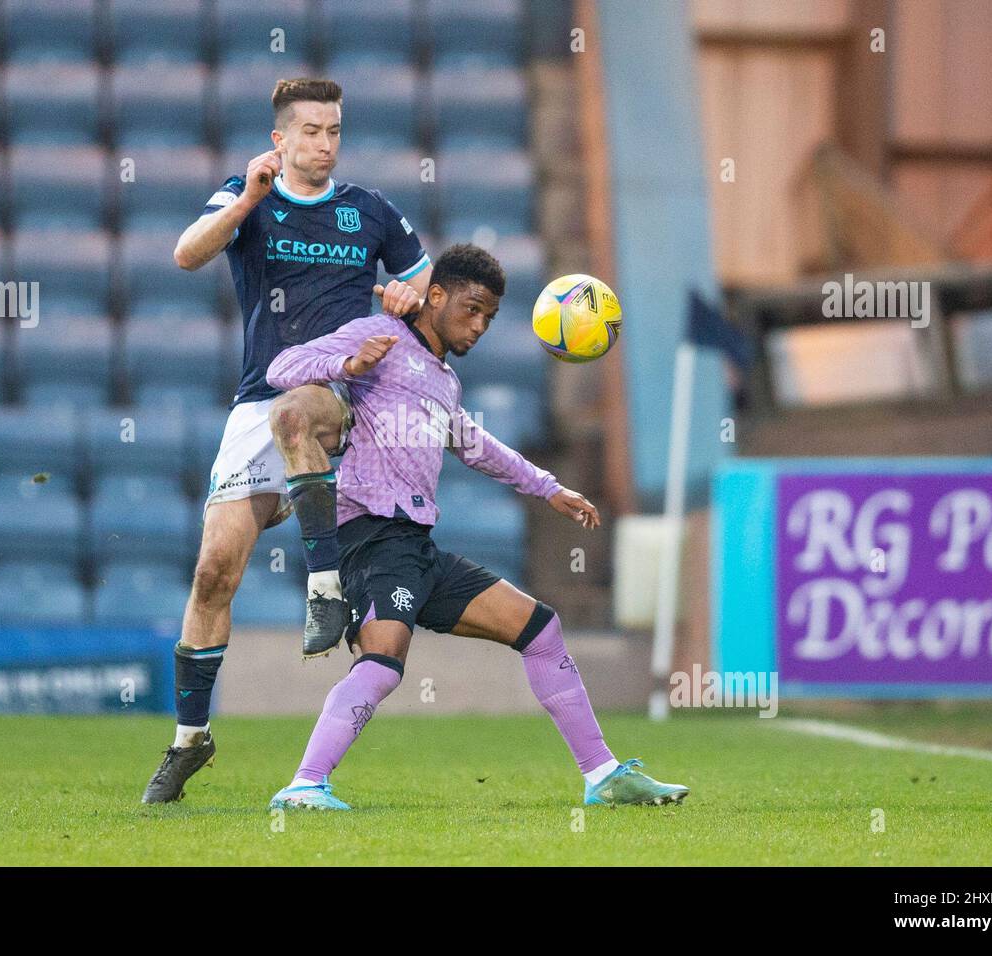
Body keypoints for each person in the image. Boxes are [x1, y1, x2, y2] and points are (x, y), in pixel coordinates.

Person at [261, 244, 691, 810]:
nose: (481, 325)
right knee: (384, 663)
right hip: (372, 534)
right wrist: (346, 365)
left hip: (416, 546)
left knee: (540, 629)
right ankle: (304, 785)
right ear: (435, 295)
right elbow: (280, 369)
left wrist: (549, 487)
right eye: (472, 309)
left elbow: (475, 445)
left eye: (489, 316)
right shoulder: (380, 336)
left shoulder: (443, 382)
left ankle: (604, 776)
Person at [142, 78, 431, 804]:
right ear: (280, 138)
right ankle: (190, 739)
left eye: (333, 130)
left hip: (339, 396)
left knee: (300, 413)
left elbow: (427, 290)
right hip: (255, 401)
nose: (324, 143)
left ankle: (325, 586)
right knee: (213, 572)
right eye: (310, 131)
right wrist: (244, 202)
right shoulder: (249, 194)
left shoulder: (369, 211)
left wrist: (407, 296)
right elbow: (184, 254)